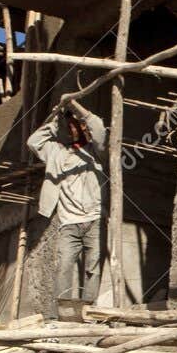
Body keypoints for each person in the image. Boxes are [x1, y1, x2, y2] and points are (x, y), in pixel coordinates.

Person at [27, 96, 108, 314]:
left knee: (93, 268)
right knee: (63, 268)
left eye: (78, 125)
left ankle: (89, 311)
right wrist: (55, 119)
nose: (74, 129)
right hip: (68, 223)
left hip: (94, 218)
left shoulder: (95, 152)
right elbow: (33, 142)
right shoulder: (56, 153)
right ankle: (59, 314)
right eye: (69, 125)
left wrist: (75, 106)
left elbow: (99, 128)